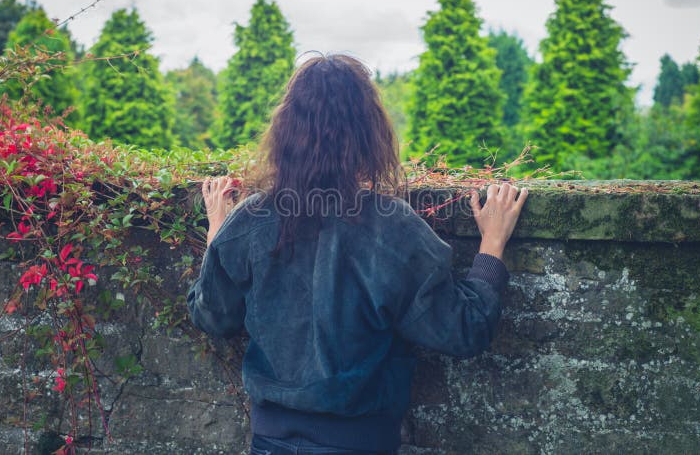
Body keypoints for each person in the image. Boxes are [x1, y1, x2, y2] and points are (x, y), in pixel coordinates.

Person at [187, 54, 528, 455]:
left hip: (269, 442)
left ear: (286, 133)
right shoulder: (392, 227)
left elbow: (212, 316)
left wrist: (219, 229)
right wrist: (493, 241)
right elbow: (464, 329)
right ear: (369, 134)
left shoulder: (250, 219)